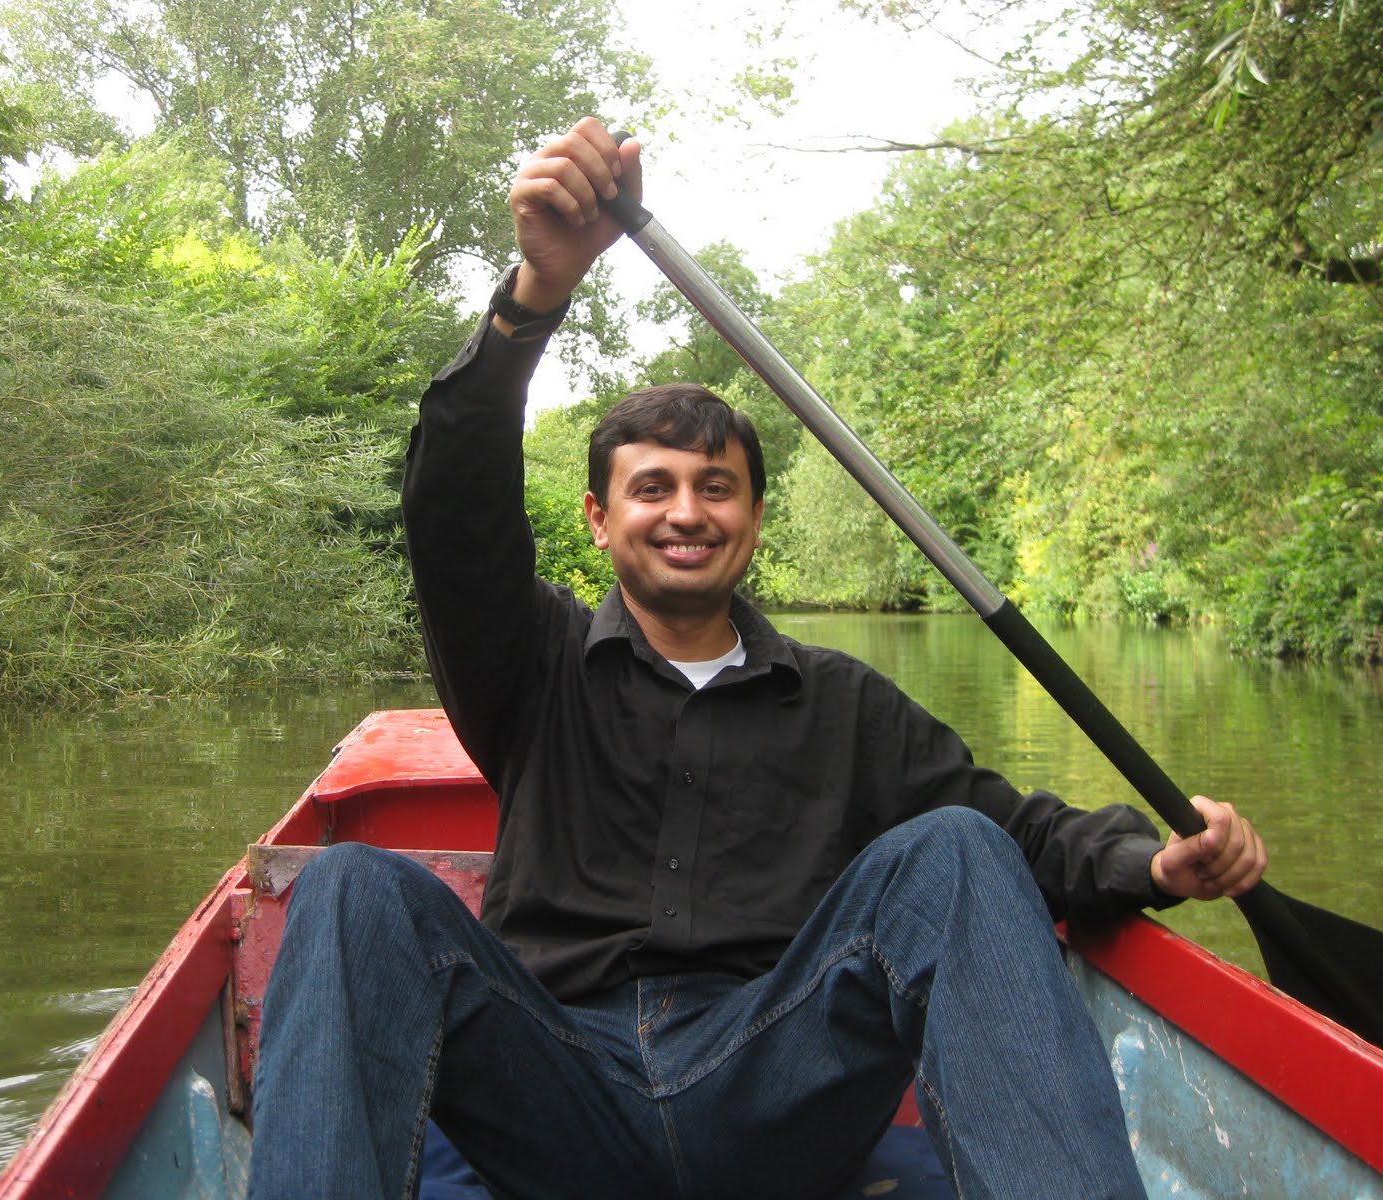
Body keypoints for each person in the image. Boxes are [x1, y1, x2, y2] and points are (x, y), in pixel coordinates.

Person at [248, 118, 1268, 1199]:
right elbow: (453, 511)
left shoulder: (844, 702)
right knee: (350, 890)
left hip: (773, 1085)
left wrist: (1152, 865)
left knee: (958, 848)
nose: (686, 513)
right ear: (598, 519)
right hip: (555, 1090)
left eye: (716, 487)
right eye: (652, 489)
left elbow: (1019, 839)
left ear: (753, 518)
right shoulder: (531, 664)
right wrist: (536, 295)